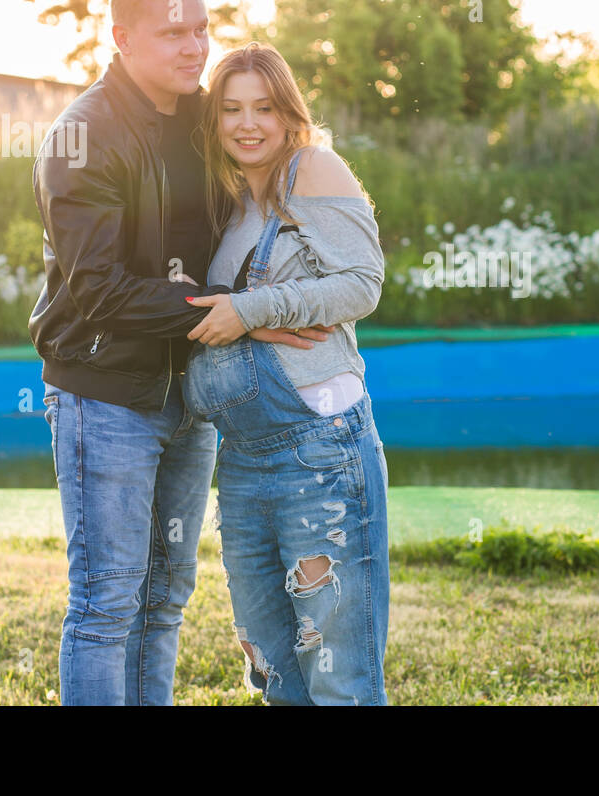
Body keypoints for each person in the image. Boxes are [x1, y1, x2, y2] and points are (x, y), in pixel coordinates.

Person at [30, 0, 330, 706]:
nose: (195, 46)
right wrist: (227, 311)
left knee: (164, 598)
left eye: (201, 27)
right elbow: (96, 289)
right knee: (106, 604)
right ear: (123, 36)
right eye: (174, 32)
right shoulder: (81, 135)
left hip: (190, 398)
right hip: (107, 397)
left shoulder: (209, 121)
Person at [181, 41, 390, 705]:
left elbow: (362, 284)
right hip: (243, 462)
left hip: (318, 452)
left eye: (264, 108)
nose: (247, 123)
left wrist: (254, 309)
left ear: (288, 113)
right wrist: (250, 318)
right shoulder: (233, 200)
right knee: (273, 672)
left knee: (339, 678)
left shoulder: (312, 168)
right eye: (231, 109)